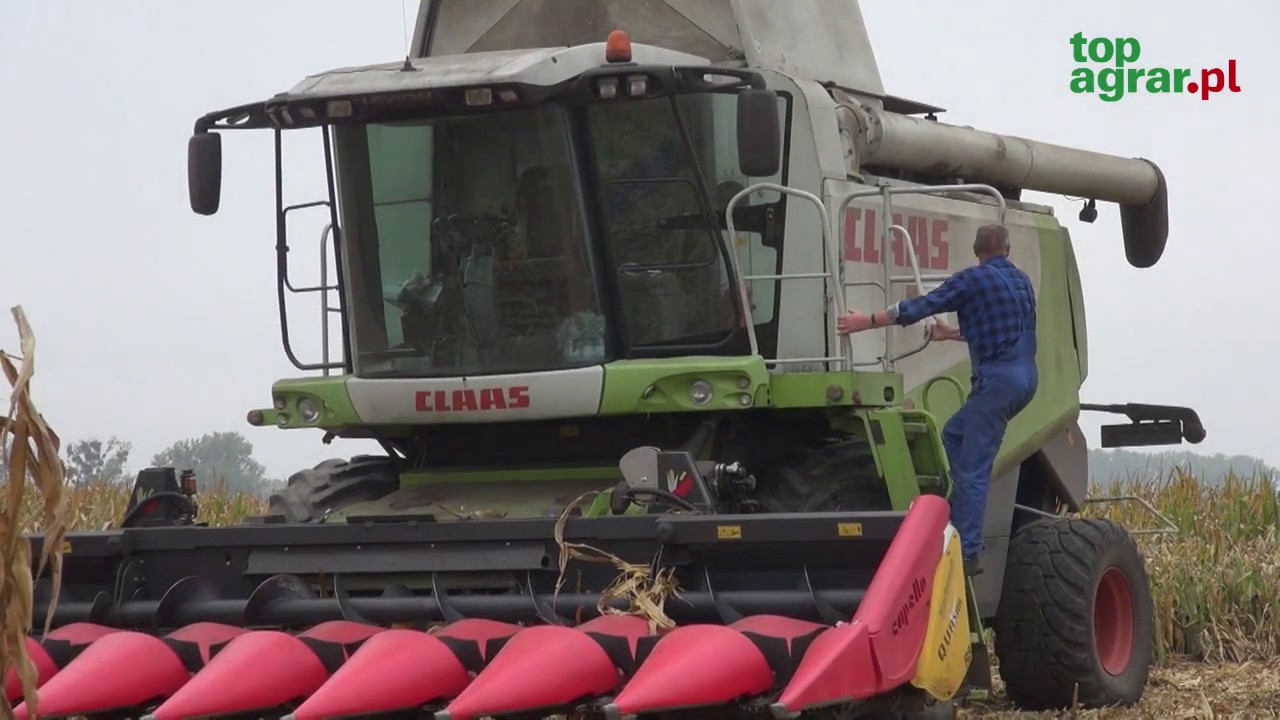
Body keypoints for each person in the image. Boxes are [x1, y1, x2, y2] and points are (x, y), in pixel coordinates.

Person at [835, 223, 1038, 576]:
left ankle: (968, 551)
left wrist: (867, 320)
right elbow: (999, 331)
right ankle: (958, 514)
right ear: (1007, 250)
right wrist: (949, 333)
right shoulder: (1021, 281)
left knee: (973, 469)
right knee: (953, 435)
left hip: (998, 380)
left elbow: (922, 306)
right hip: (1026, 377)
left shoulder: (972, 279)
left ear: (976, 251)